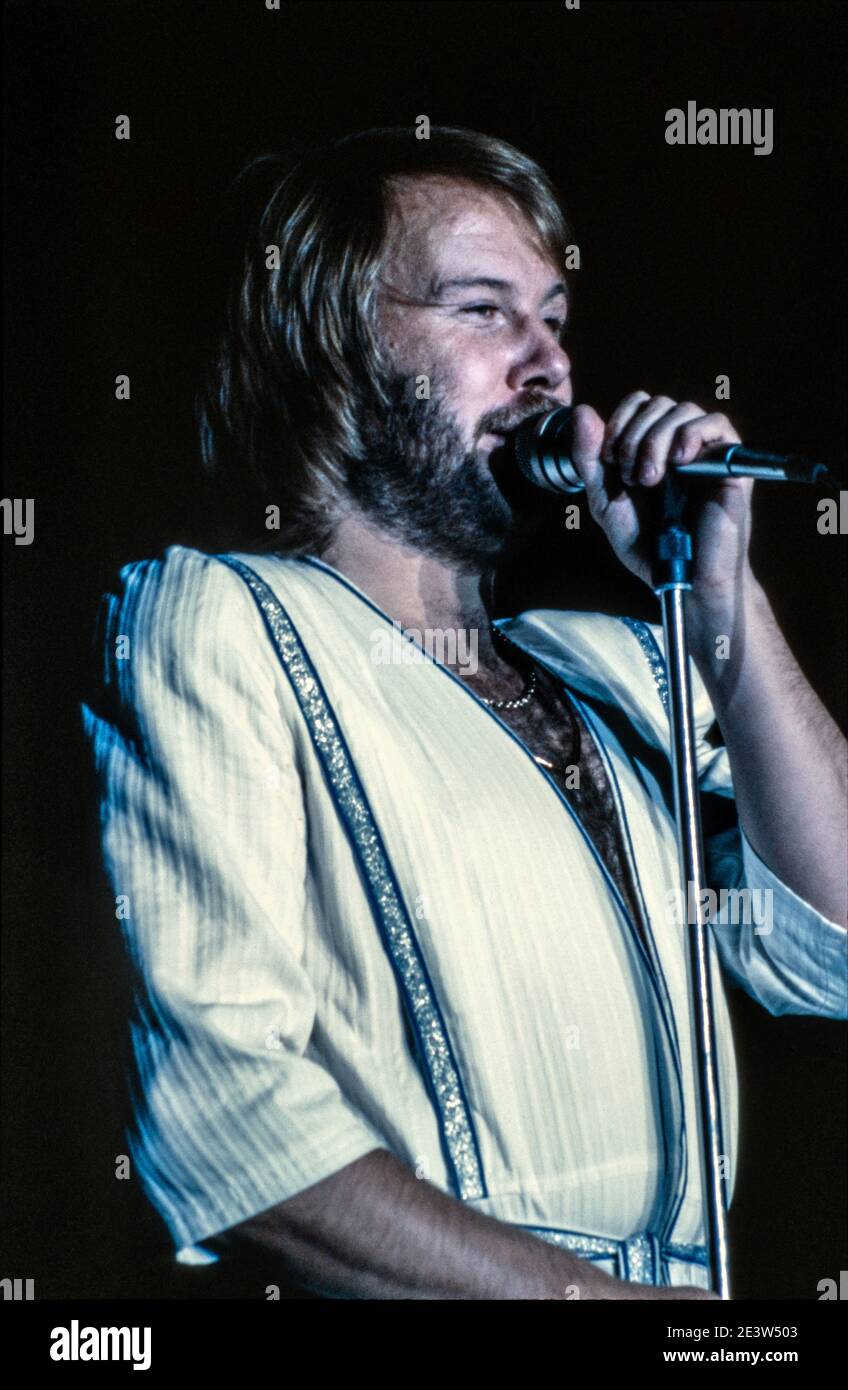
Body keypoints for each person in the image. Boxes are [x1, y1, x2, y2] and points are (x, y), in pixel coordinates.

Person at [80, 127, 847, 1300]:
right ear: (331, 342)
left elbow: (831, 952)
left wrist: (723, 607)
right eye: (484, 311)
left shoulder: (616, 666)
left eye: (554, 320)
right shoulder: (221, 617)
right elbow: (225, 1125)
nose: (546, 366)